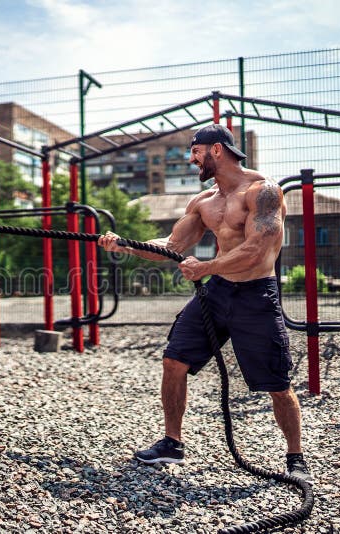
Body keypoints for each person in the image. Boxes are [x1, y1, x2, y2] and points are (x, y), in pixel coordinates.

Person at [98, 124, 312, 482]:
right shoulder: (204, 201)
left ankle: (295, 458)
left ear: (215, 150)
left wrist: (206, 267)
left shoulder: (263, 191)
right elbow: (171, 245)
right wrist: (127, 244)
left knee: (277, 382)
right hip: (218, 292)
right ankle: (172, 443)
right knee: (174, 360)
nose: (190, 158)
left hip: (257, 295)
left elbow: (257, 248)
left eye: (194, 151)